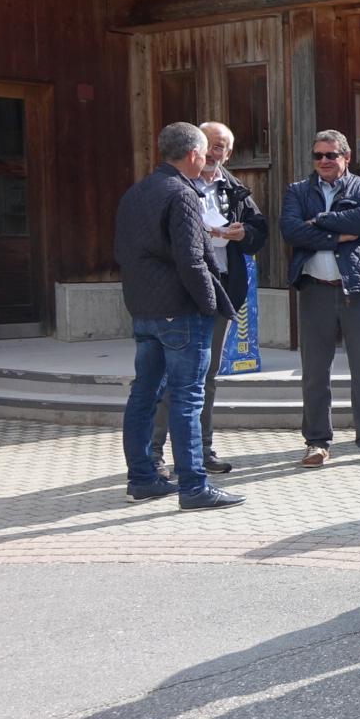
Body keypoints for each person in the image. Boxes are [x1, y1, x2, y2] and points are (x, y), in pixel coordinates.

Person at [115, 122, 241, 510]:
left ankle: (142, 478)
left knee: (144, 396)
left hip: (145, 311)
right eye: (204, 152)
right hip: (180, 311)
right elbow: (192, 259)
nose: (206, 159)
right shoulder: (182, 193)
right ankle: (194, 487)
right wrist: (209, 305)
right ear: (192, 155)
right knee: (187, 399)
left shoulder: (136, 192)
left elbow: (124, 252)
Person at [150, 120, 265, 474]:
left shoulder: (234, 188)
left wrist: (242, 232)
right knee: (170, 376)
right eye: (211, 145)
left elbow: (259, 230)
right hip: (178, 293)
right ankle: (153, 454)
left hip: (220, 291)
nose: (216, 153)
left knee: (206, 376)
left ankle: (202, 451)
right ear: (196, 147)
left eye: (223, 148)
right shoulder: (173, 185)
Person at [281, 129, 360, 468]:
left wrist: (322, 222)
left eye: (331, 155)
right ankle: (316, 442)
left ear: (346, 157)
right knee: (314, 372)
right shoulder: (297, 191)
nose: (324, 161)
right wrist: (341, 234)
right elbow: (291, 230)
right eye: (318, 156)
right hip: (315, 289)